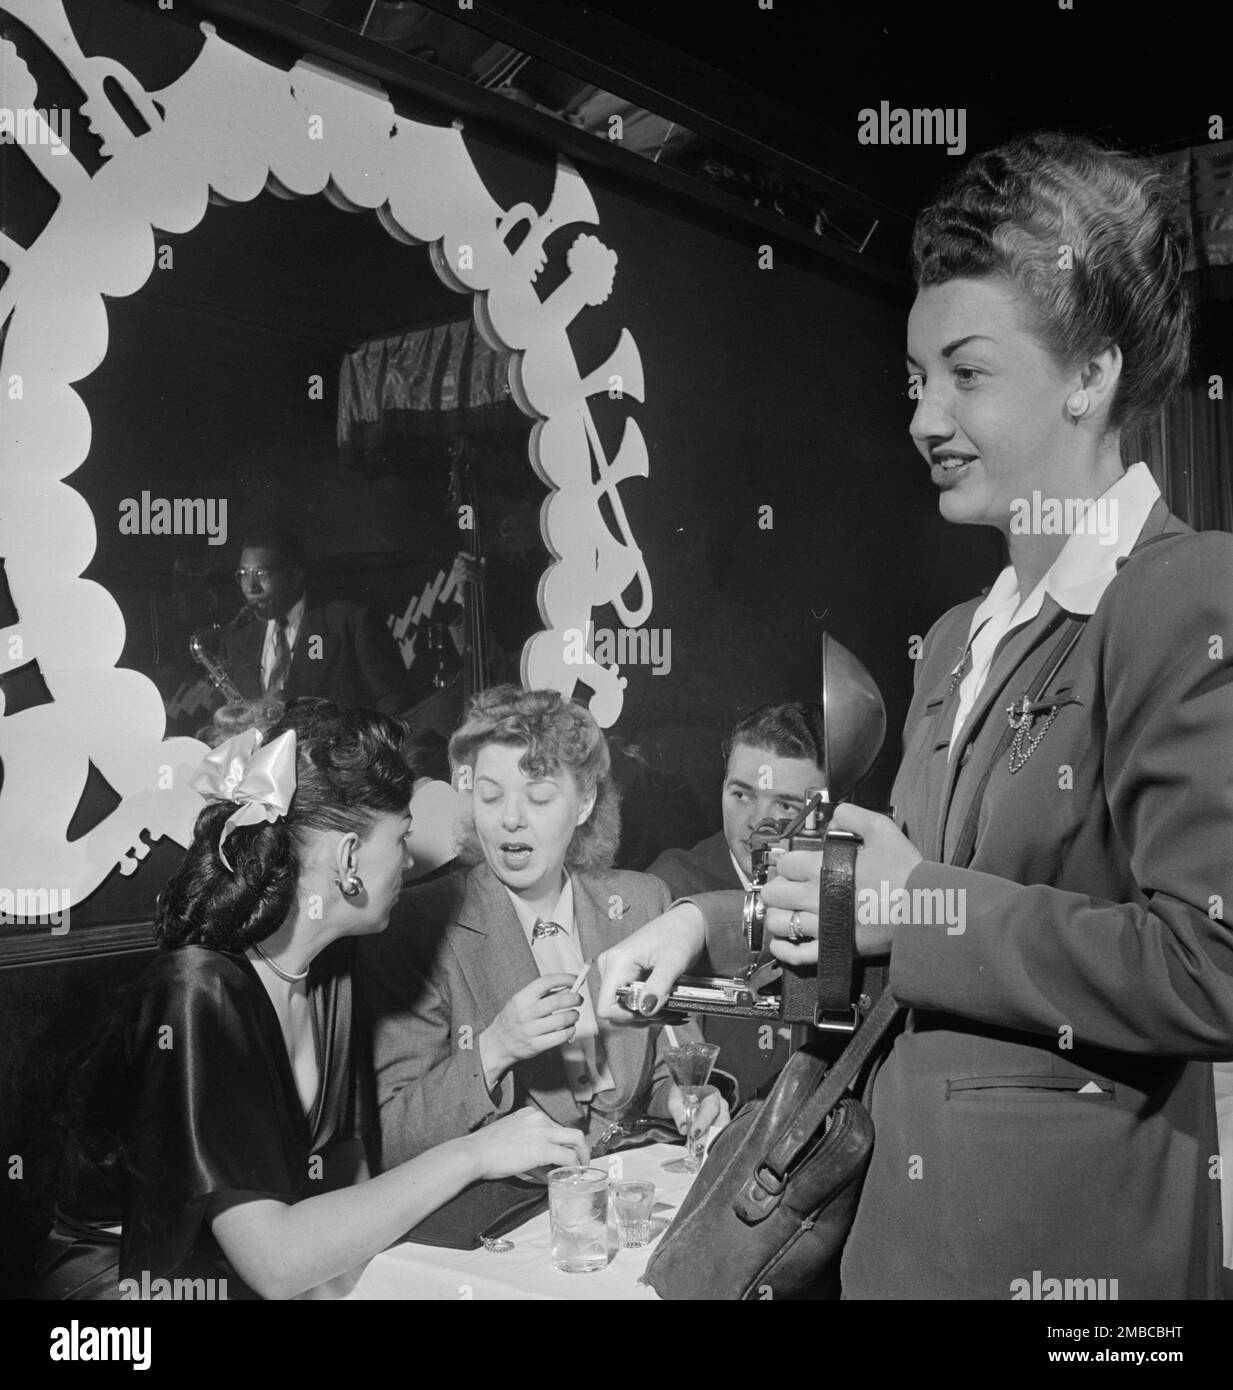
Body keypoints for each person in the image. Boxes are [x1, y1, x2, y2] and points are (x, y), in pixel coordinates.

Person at [598, 132, 1233, 1300]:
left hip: (1066, 1263)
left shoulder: (1185, 595)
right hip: (895, 1247)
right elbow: (879, 912)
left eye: (968, 373)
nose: (922, 417)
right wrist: (708, 928)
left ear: (1090, 374)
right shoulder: (957, 639)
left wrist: (921, 905)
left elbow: (1214, 964)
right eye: (913, 379)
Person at [36, 698, 587, 1300]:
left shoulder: (330, 970)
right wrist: (476, 1153)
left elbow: (346, 1184)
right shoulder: (198, 993)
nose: (409, 860)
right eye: (400, 839)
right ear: (349, 859)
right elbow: (277, 1264)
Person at [357, 684, 728, 1169]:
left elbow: (666, 1071)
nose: (510, 819)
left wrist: (680, 1103)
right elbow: (391, 1139)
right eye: (490, 797)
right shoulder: (419, 927)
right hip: (503, 1218)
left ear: (584, 804)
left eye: (538, 797)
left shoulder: (642, 901)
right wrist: (495, 1049)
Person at [646, 702, 828, 1100]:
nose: (756, 823)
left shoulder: (848, 892)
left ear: (824, 814)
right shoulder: (670, 886)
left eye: (785, 805)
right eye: (742, 795)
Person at [218, 528, 411, 716]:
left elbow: (394, 700)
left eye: (262, 574)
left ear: (295, 576)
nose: (251, 587)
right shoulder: (235, 641)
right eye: (244, 574)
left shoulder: (349, 623)